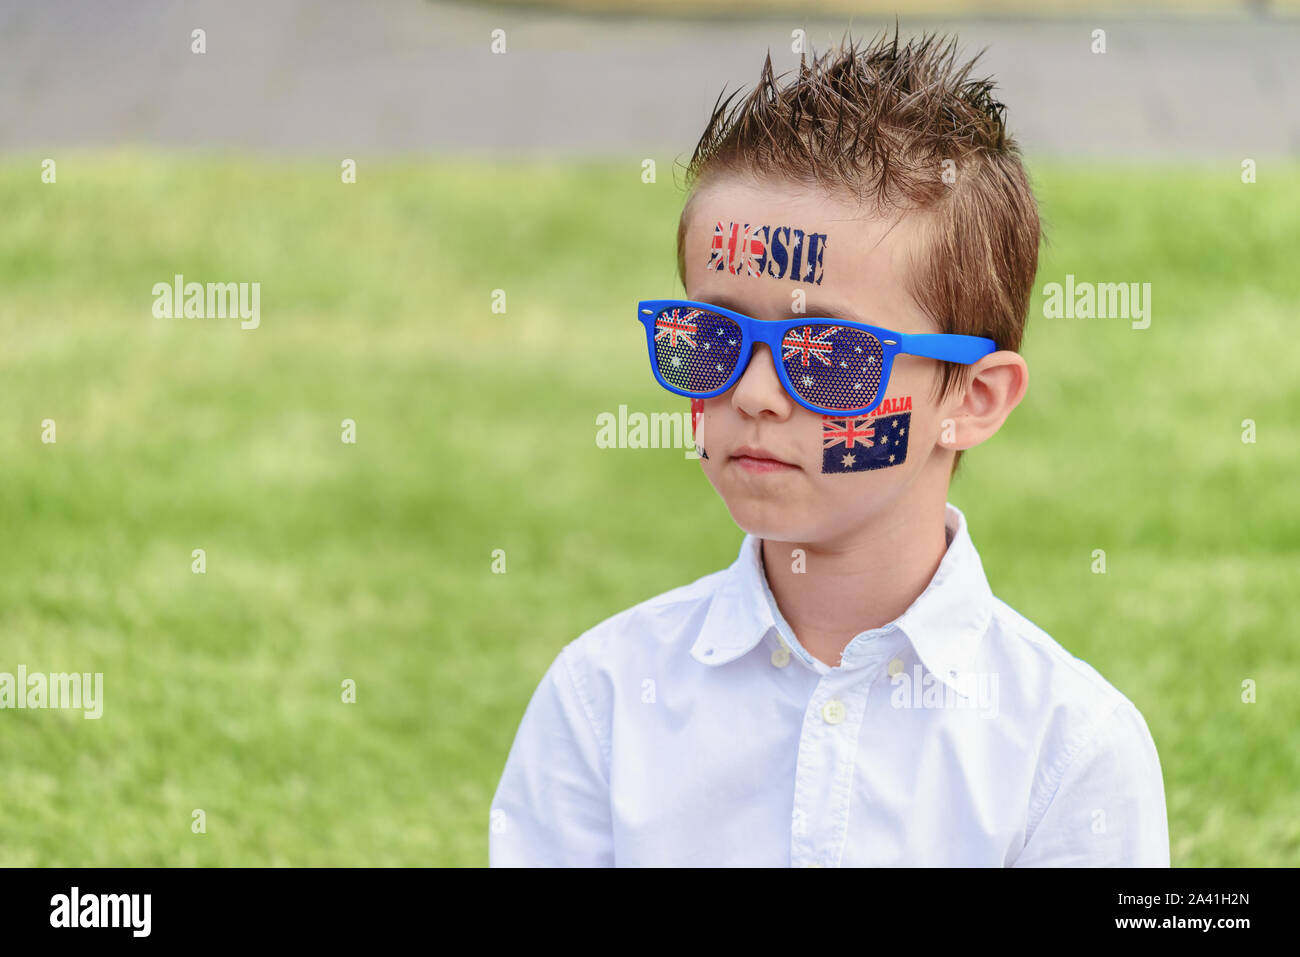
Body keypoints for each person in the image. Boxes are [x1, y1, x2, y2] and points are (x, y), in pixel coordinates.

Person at [490, 30, 1169, 867]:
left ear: (974, 397)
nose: (754, 391)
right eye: (712, 335)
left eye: (830, 353)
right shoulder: (603, 700)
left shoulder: (1068, 750)